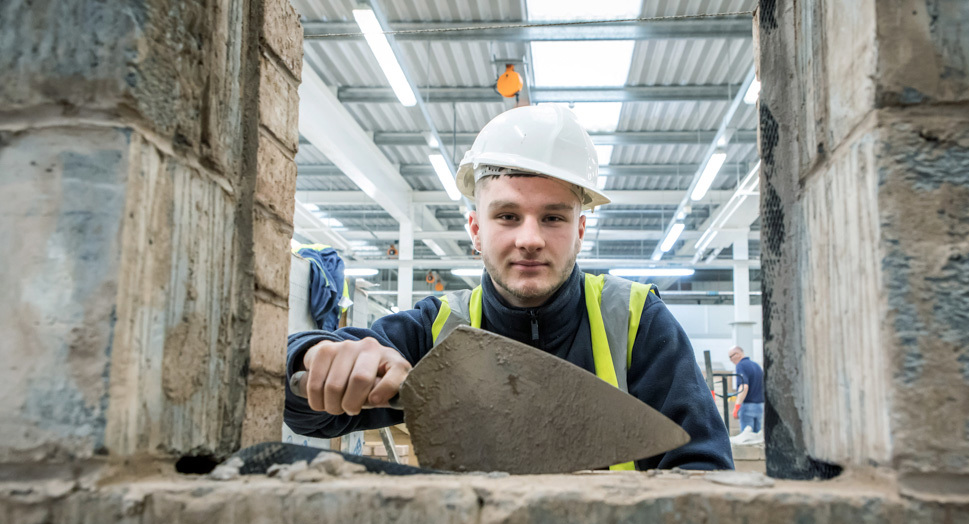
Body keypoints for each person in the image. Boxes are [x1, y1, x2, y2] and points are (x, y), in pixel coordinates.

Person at [283, 105, 733, 471]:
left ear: (580, 231)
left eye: (553, 217)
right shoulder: (435, 328)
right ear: (476, 230)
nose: (531, 238)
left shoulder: (637, 321)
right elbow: (305, 409)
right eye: (507, 216)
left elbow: (704, 467)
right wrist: (312, 356)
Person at [727, 346, 764, 443]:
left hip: (748, 407)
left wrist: (737, 406)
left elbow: (744, 386)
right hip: (760, 406)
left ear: (738, 354)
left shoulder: (741, 366)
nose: (730, 360)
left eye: (731, 356)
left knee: (746, 439)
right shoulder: (756, 366)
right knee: (757, 439)